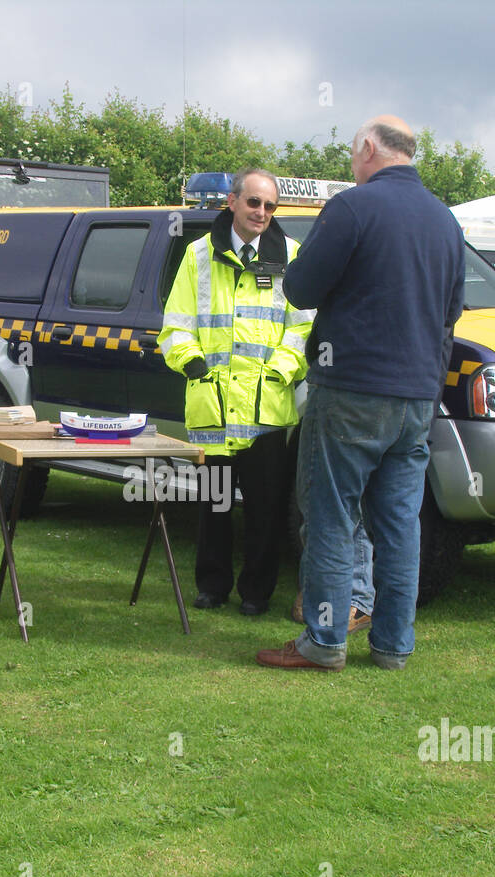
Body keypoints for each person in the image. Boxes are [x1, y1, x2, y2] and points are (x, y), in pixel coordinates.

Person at [257, 115, 464, 671]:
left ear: (369, 148)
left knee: (331, 516)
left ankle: (324, 641)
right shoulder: (445, 220)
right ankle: (394, 646)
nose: (352, 165)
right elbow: (451, 313)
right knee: (399, 524)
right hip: (417, 397)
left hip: (350, 388)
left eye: (353, 155)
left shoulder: (352, 207)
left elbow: (299, 290)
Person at [158, 168, 313, 615]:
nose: (262, 212)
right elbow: (176, 324)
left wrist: (282, 370)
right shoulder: (198, 255)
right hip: (215, 405)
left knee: (265, 510)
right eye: (253, 203)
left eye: (269, 206)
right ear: (232, 201)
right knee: (215, 503)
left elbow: (303, 327)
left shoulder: (293, 257)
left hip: (266, 407)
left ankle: (257, 594)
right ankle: (212, 587)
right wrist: (193, 364)